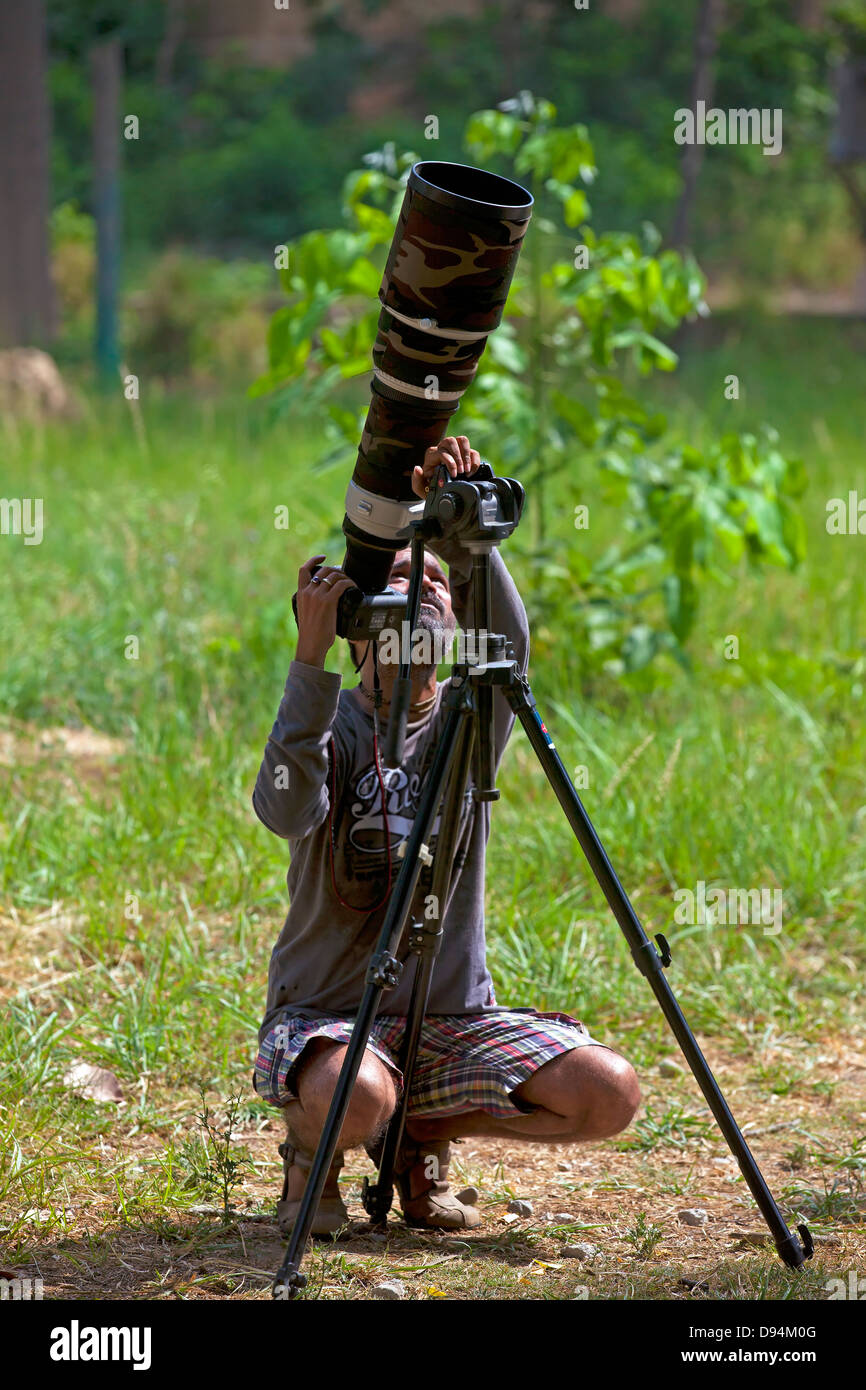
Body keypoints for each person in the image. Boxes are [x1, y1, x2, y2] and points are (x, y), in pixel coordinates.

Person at [252, 435, 640, 1234]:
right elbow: (284, 810)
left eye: (436, 582)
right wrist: (309, 659)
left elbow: (512, 644)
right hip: (329, 1015)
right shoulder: (331, 724)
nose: (422, 585)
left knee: (610, 1092)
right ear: (366, 622)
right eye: (401, 577)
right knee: (356, 1094)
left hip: (449, 1015)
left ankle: (423, 1132)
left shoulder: (470, 719)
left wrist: (468, 541)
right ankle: (312, 1150)